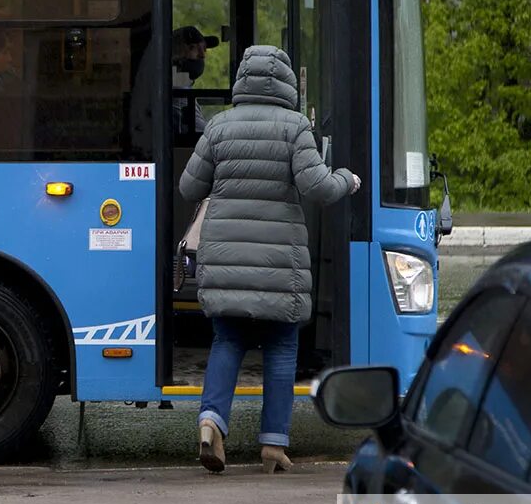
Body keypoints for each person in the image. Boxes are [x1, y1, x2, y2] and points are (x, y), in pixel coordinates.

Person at [179, 45, 360, 474]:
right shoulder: (295, 127)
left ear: (243, 78)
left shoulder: (219, 127)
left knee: (228, 341)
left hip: (225, 256)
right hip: (280, 262)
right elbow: (316, 187)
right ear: (285, 83)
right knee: (281, 347)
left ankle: (210, 422)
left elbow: (189, 187)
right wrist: (346, 180)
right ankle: (274, 445)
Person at [127, 25, 218, 154]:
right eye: (193, 48)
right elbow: (202, 135)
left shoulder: (173, 81)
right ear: (177, 54)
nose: (202, 55)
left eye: (204, 49)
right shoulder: (174, 87)